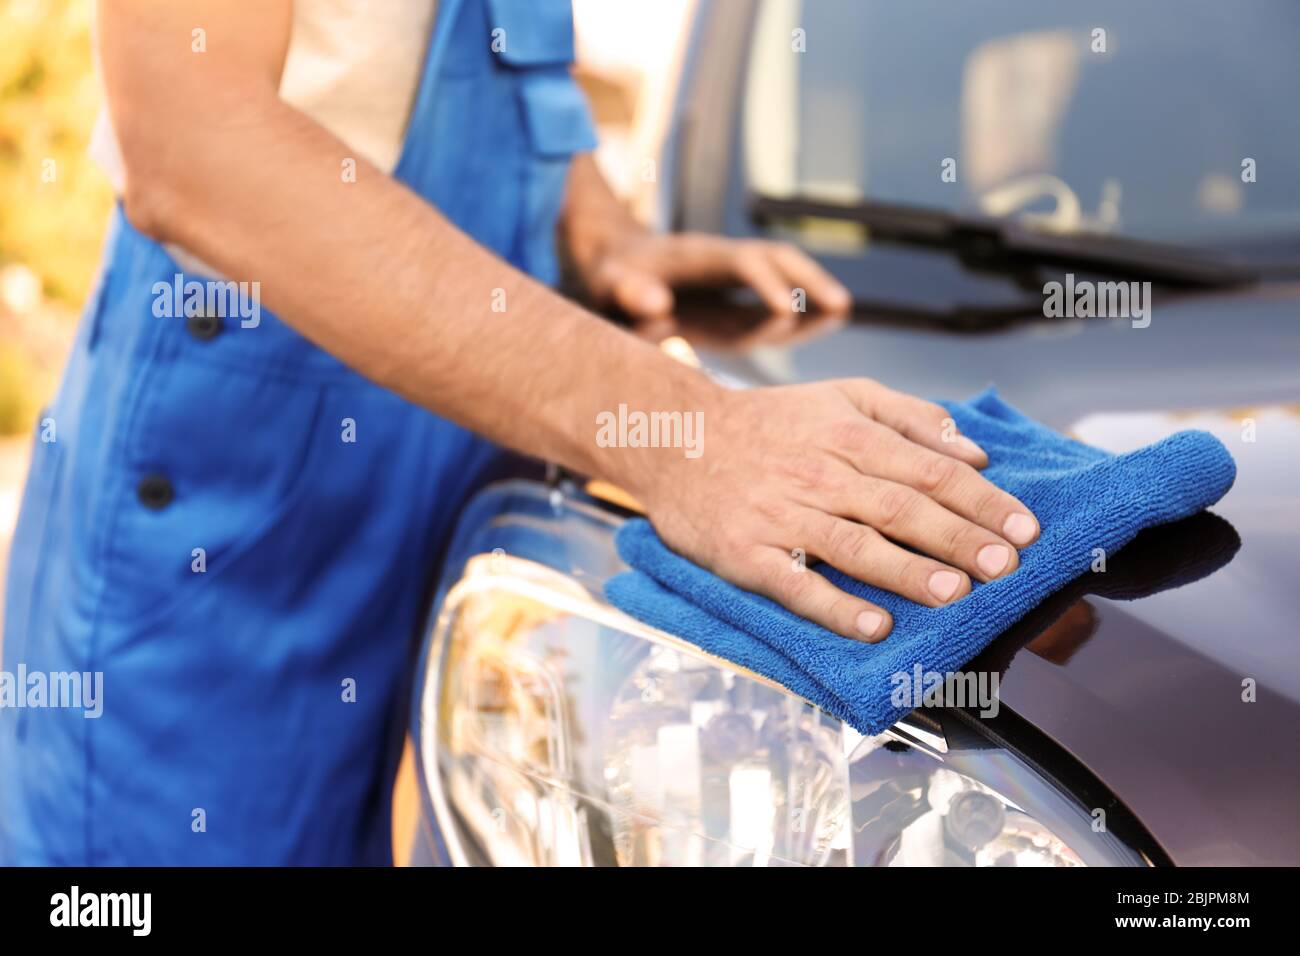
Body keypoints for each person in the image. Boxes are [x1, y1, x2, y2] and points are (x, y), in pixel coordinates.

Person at [0, 0, 1038, 865]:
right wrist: (686, 433)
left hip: (450, 432)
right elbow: (191, 139)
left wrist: (601, 232)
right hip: (234, 481)